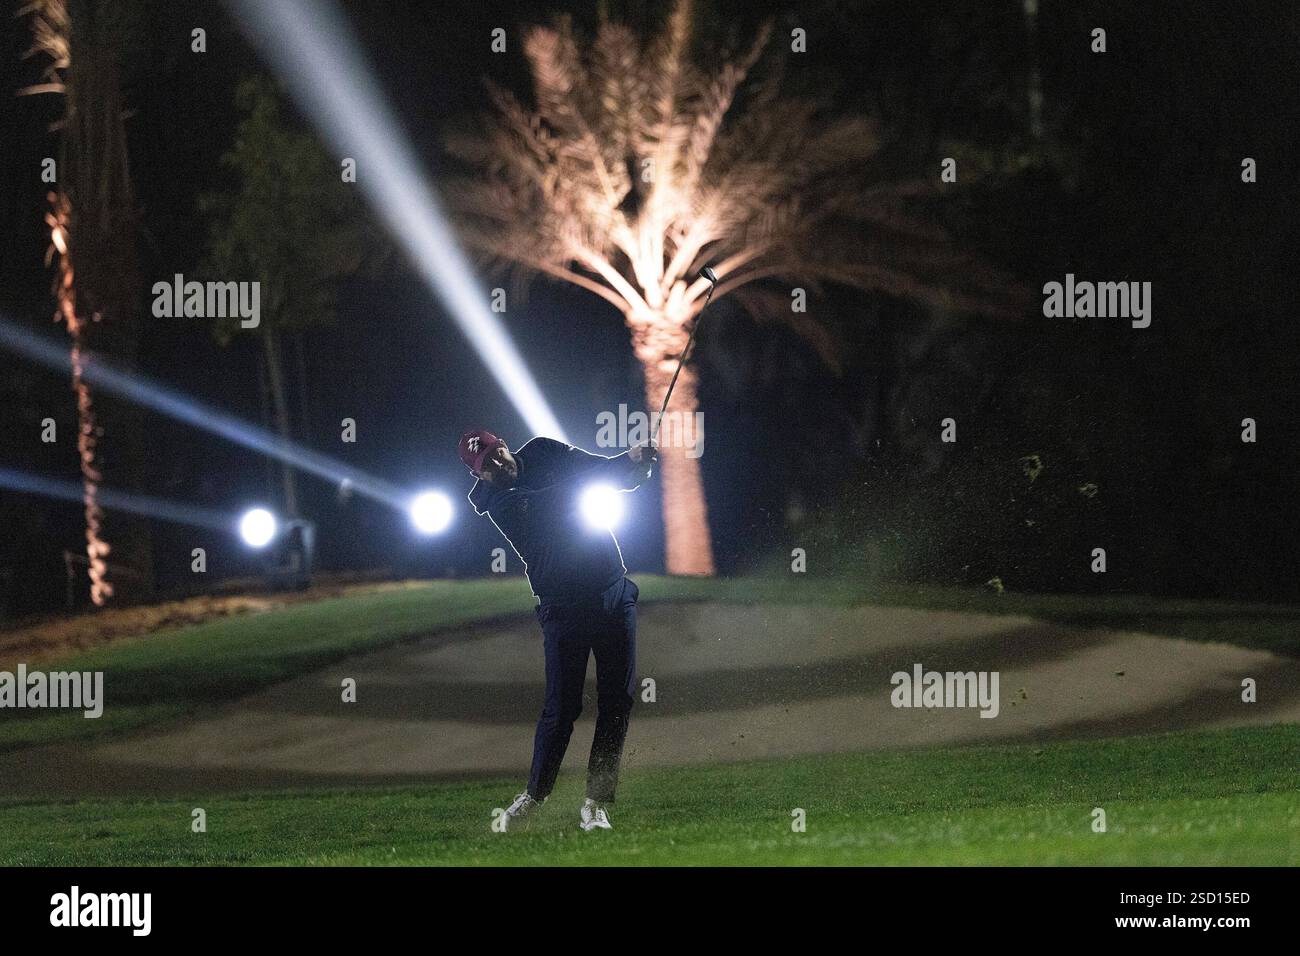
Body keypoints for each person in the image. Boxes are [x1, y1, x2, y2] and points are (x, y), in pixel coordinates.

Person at [458, 428, 657, 832]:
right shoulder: (501, 503)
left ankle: (596, 802)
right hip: (562, 606)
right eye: (487, 467)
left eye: (497, 453)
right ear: (479, 477)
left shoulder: (544, 450)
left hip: (613, 591)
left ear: (503, 444)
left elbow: (592, 469)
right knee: (562, 708)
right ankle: (535, 794)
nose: (498, 464)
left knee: (616, 700)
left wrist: (633, 470)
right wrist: (623, 465)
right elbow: (563, 497)